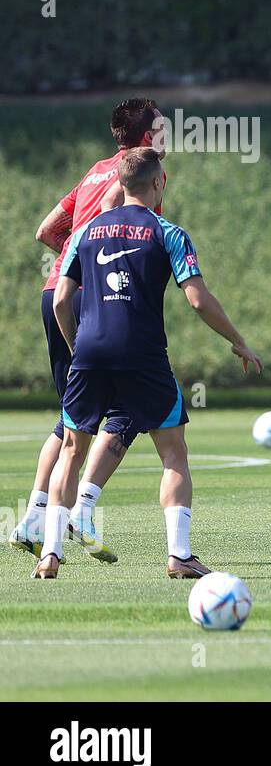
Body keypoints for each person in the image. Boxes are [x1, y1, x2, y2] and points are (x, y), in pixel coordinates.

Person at [33, 148, 262, 579]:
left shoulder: (85, 233)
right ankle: (178, 555)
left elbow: (62, 299)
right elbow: (197, 299)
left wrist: (78, 346)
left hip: (89, 354)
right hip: (143, 357)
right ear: (157, 184)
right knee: (173, 451)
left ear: (120, 184)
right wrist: (238, 341)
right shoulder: (167, 232)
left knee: (72, 448)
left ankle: (50, 554)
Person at [9, 98, 168, 563]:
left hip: (55, 289)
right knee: (131, 405)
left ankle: (32, 520)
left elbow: (46, 230)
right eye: (162, 128)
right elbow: (116, 219)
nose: (167, 136)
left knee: (72, 417)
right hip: (94, 295)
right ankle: (82, 510)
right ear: (146, 138)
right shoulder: (141, 171)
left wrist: (74, 258)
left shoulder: (96, 169)